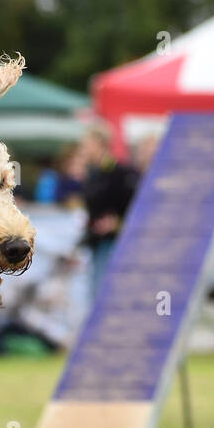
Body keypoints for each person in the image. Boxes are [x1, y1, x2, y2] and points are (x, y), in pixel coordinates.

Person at [75, 123, 139, 299]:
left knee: (102, 292)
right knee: (93, 291)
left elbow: (135, 206)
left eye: (86, 144)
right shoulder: (93, 173)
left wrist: (117, 223)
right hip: (96, 241)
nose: (84, 149)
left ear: (99, 143)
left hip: (114, 243)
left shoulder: (121, 172)